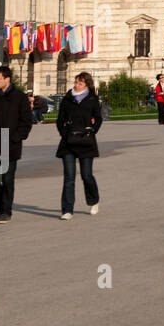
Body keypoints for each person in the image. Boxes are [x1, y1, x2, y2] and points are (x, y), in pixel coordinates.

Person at [0, 65, 32, 225]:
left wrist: (17, 137)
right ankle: (1, 202)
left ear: (7, 79)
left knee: (7, 179)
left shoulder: (19, 97)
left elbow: (26, 121)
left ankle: (5, 211)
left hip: (11, 145)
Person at [56, 72, 103, 220]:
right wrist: (64, 133)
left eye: (80, 83)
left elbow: (99, 118)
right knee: (69, 177)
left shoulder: (92, 99)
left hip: (85, 141)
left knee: (86, 175)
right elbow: (60, 119)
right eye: (76, 82)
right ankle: (67, 209)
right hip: (68, 141)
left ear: (87, 85)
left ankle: (93, 200)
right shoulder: (67, 99)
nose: (76, 85)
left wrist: (92, 131)